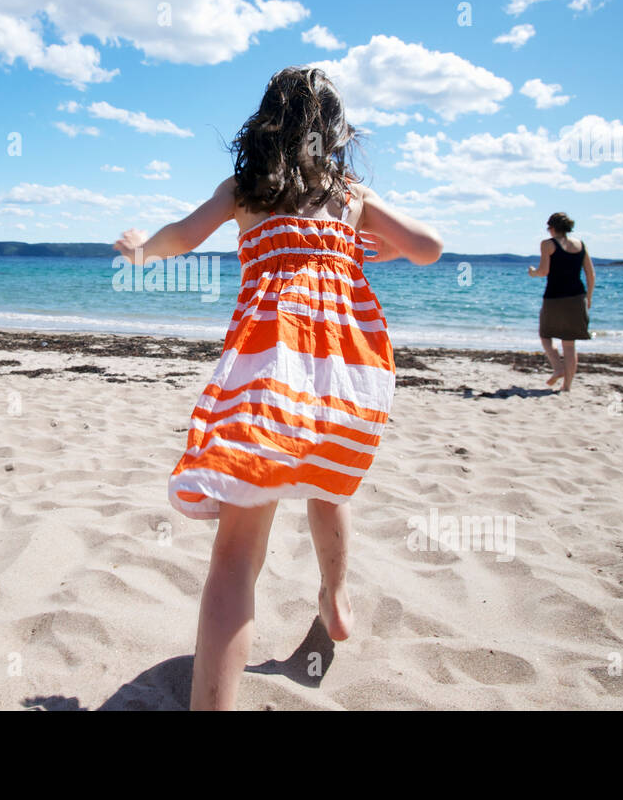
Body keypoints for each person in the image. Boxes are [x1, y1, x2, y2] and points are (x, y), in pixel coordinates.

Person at [113, 66, 443, 711]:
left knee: (236, 554)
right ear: (335, 131)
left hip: (275, 362)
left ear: (266, 123)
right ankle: (336, 595)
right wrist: (387, 250)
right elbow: (431, 246)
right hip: (353, 368)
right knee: (327, 482)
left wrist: (140, 251)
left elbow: (183, 235)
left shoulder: (245, 189)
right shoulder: (349, 194)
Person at [528, 212, 595, 392]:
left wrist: (533, 272)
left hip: (554, 297)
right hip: (577, 297)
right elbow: (590, 274)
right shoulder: (580, 245)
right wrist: (588, 297)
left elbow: (544, 271)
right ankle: (566, 387)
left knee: (545, 335)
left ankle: (558, 368)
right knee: (569, 345)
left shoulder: (548, 244)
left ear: (552, 227)